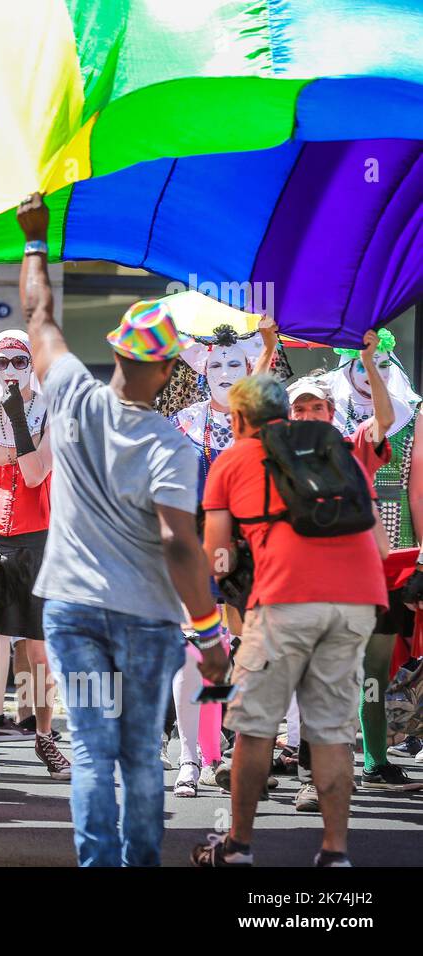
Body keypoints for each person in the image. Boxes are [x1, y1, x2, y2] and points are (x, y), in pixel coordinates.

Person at [16, 193, 227, 866]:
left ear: (115, 354)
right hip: (144, 620)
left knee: (91, 750)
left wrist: (35, 240)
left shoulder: (73, 396)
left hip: (74, 614)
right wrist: (211, 633)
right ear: (166, 370)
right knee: (139, 752)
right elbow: (177, 542)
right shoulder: (171, 444)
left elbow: (38, 314)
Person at [195, 375, 388, 867]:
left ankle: (237, 845)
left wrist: (230, 580)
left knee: (256, 727)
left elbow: (215, 555)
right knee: (331, 730)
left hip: (283, 600)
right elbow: (373, 533)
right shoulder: (339, 451)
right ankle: (335, 853)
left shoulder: (233, 459)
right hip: (358, 599)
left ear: (239, 419)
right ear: (285, 412)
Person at [163, 320, 277, 796]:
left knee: (250, 653)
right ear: (200, 371)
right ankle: (189, 757)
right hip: (197, 550)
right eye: (216, 364)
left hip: (252, 554)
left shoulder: (259, 422)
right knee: (194, 653)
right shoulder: (183, 422)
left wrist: (269, 344)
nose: (226, 372)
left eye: (236, 363)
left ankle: (232, 752)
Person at [0, 328, 70, 783]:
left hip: (37, 540)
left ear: (32, 365)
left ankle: (45, 737)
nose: (10, 370)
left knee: (39, 650)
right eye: (2, 362)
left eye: (19, 361)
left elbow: (31, 475)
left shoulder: (51, 412)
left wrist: (18, 424)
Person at [322, 330, 423, 793]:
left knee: (375, 668)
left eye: (381, 364)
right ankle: (316, 764)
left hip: (392, 559)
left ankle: (375, 757)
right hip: (330, 559)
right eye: (363, 364)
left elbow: (418, 493)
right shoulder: (318, 410)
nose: (371, 373)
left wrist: (422, 561)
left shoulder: (411, 415)